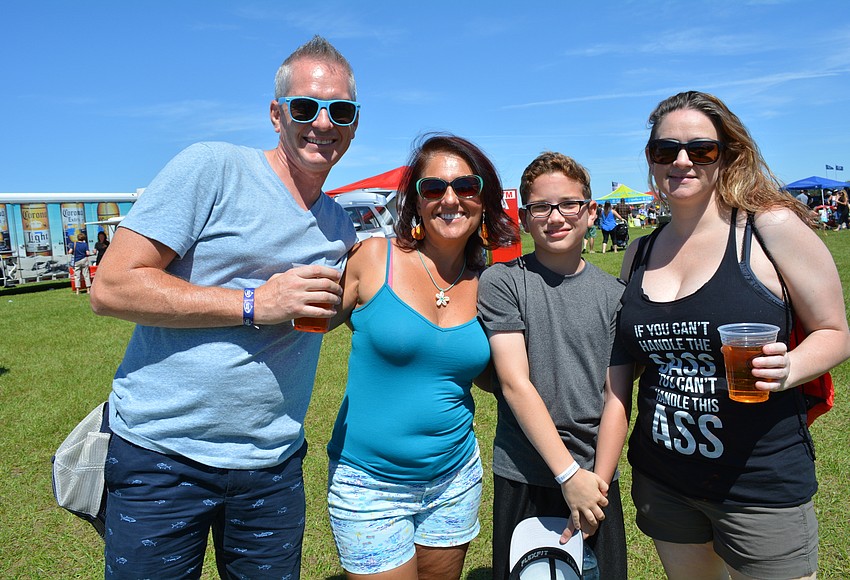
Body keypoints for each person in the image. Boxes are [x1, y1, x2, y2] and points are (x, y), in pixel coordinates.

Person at [89, 36, 359, 579]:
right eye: (306, 107)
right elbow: (113, 286)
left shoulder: (339, 225)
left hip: (272, 464)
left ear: (355, 123)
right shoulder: (213, 168)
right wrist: (258, 301)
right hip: (163, 456)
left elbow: (334, 310)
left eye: (341, 111)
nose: (323, 123)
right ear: (276, 114)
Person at [618, 90, 850, 580]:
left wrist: (791, 367)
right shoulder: (638, 252)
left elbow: (834, 332)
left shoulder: (771, 227)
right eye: (665, 150)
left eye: (701, 149)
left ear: (727, 153)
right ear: (651, 160)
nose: (682, 161)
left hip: (758, 480)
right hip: (663, 476)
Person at [325, 134, 519, 579]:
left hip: (454, 479)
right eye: (434, 188)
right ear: (416, 201)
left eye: (466, 187)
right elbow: (299, 330)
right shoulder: (373, 259)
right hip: (368, 483)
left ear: (484, 199)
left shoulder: (488, 283)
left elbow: (496, 377)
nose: (450, 199)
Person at [478, 152, 631, 580]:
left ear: (591, 212)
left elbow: (616, 397)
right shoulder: (503, 282)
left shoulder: (615, 295)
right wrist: (567, 475)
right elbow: (514, 384)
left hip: (597, 480)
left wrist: (594, 487)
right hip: (526, 471)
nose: (556, 217)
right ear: (525, 219)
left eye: (569, 204)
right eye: (541, 207)